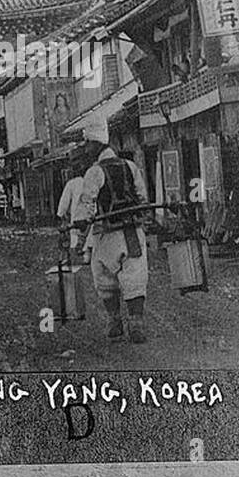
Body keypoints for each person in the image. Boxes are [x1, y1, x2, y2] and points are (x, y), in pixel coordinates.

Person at [76, 121, 151, 343]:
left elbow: (87, 203)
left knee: (104, 278)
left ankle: (114, 321)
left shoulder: (94, 171)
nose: (86, 149)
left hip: (106, 234)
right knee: (135, 275)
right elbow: (142, 198)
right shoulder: (130, 166)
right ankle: (136, 324)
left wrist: (81, 224)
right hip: (132, 232)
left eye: (88, 144)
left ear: (95, 144)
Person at [56, 164, 89, 261]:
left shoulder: (72, 183)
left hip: (77, 214)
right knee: (89, 234)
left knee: (76, 233)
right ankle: (87, 253)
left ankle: (78, 252)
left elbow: (64, 201)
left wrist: (61, 213)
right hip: (89, 212)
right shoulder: (90, 182)